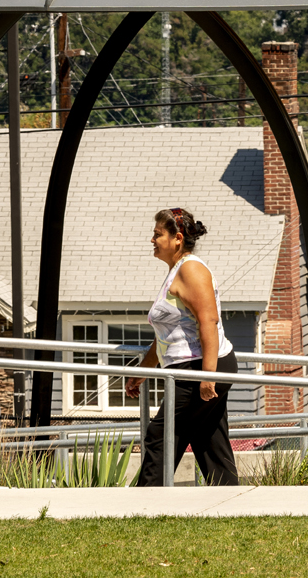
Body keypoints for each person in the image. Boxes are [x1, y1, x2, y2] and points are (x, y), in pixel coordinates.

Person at [125, 207, 240, 486]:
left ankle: (145, 505)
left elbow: (208, 321)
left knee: (160, 434)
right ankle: (229, 502)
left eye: (157, 235)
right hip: (190, 367)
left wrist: (207, 376)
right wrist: (144, 372)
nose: (152, 240)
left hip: (199, 368)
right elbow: (166, 336)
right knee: (208, 438)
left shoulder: (191, 269)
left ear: (177, 238)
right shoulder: (176, 271)